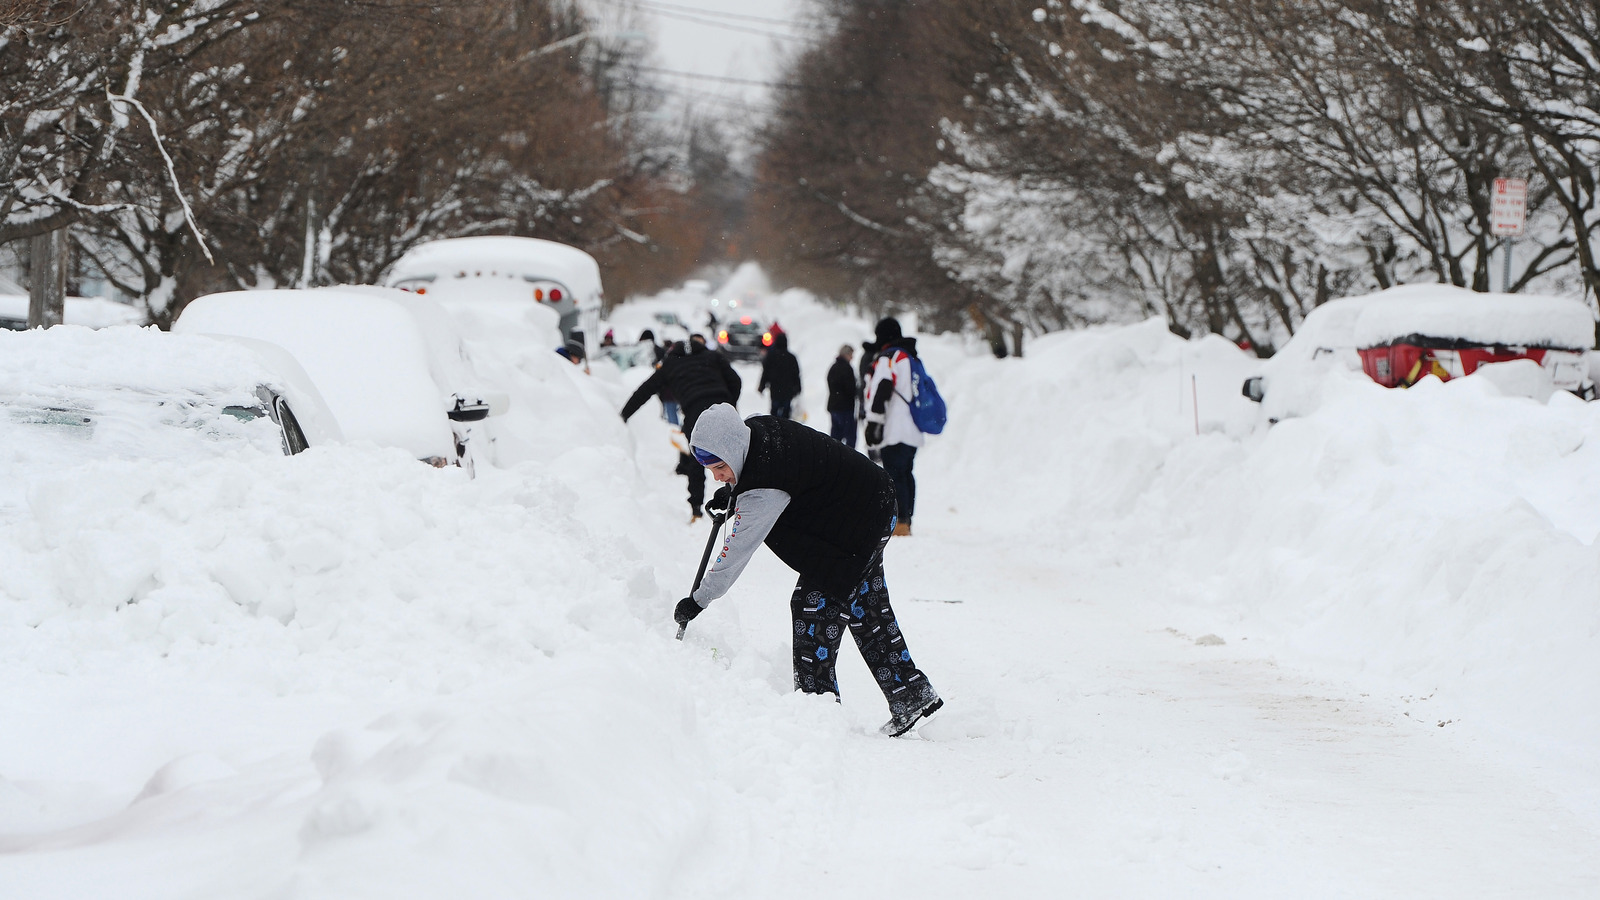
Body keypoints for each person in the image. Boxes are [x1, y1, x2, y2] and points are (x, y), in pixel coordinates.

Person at [676, 403, 942, 737]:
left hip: (858, 523)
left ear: (733, 448)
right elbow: (774, 470)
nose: (717, 476)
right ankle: (912, 694)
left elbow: (736, 552)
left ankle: (817, 715)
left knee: (812, 608)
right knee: (865, 606)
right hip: (874, 500)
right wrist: (732, 493)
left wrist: (698, 600)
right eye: (711, 470)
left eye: (719, 467)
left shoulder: (764, 488)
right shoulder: (755, 431)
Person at [620, 339, 742, 522]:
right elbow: (735, 380)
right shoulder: (712, 356)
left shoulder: (671, 363)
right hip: (723, 406)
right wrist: (730, 404)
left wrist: (624, 414)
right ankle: (743, 499)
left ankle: (696, 509)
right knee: (737, 453)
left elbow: (646, 390)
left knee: (697, 459)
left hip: (695, 409)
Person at [863, 317, 922, 536]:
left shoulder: (889, 358)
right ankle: (907, 520)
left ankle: (899, 523)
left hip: (895, 427)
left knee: (894, 476)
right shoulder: (911, 357)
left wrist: (874, 423)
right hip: (913, 427)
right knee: (906, 474)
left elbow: (883, 387)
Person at [757, 331, 802, 419]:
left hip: (775, 390)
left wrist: (762, 386)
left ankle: (775, 425)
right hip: (788, 391)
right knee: (786, 413)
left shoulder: (771, 357)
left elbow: (765, 373)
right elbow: (796, 374)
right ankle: (785, 426)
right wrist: (798, 388)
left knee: (774, 413)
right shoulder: (791, 358)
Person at [826, 344, 858, 447]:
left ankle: (833, 454)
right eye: (851, 355)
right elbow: (850, 388)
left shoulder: (833, 367)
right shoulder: (847, 368)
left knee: (835, 436)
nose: (852, 357)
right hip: (845, 408)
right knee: (850, 437)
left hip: (834, 407)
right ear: (846, 354)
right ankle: (849, 456)